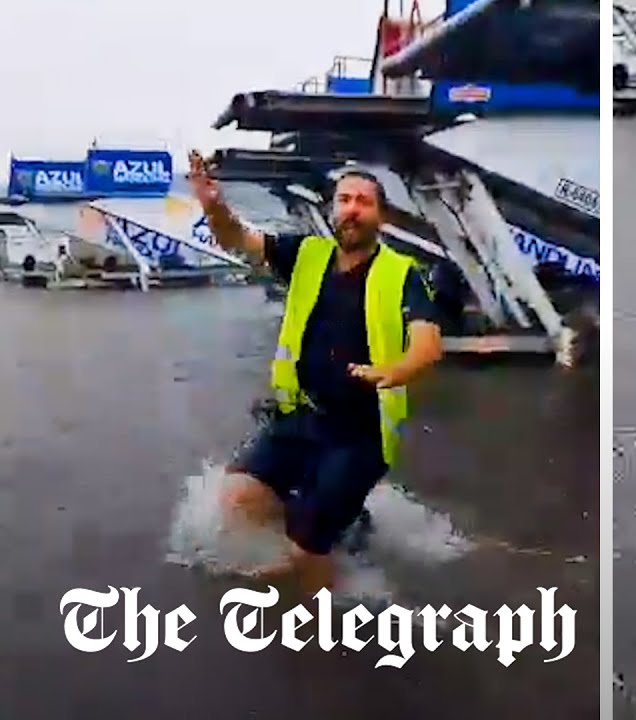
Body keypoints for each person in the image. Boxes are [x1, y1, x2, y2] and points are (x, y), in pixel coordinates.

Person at [188, 151, 446, 592]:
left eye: (364, 202)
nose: (352, 209)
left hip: (359, 430)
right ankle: (343, 523)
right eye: (344, 199)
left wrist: (395, 370)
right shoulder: (306, 254)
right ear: (332, 209)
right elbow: (237, 239)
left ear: (380, 216)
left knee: (307, 549)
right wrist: (214, 207)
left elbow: (428, 342)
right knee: (237, 497)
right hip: (299, 415)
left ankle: (319, 618)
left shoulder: (403, 274)